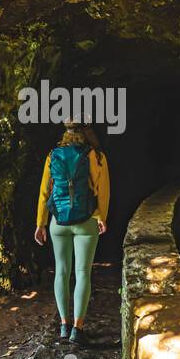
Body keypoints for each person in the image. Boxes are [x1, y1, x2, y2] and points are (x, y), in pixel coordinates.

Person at [34, 121, 109, 345]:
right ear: (87, 133)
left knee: (61, 272)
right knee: (83, 272)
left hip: (58, 222)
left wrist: (41, 223)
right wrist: (101, 217)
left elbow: (44, 191)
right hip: (86, 221)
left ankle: (64, 325)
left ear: (65, 134)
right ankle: (78, 328)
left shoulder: (53, 155)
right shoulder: (96, 156)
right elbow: (102, 191)